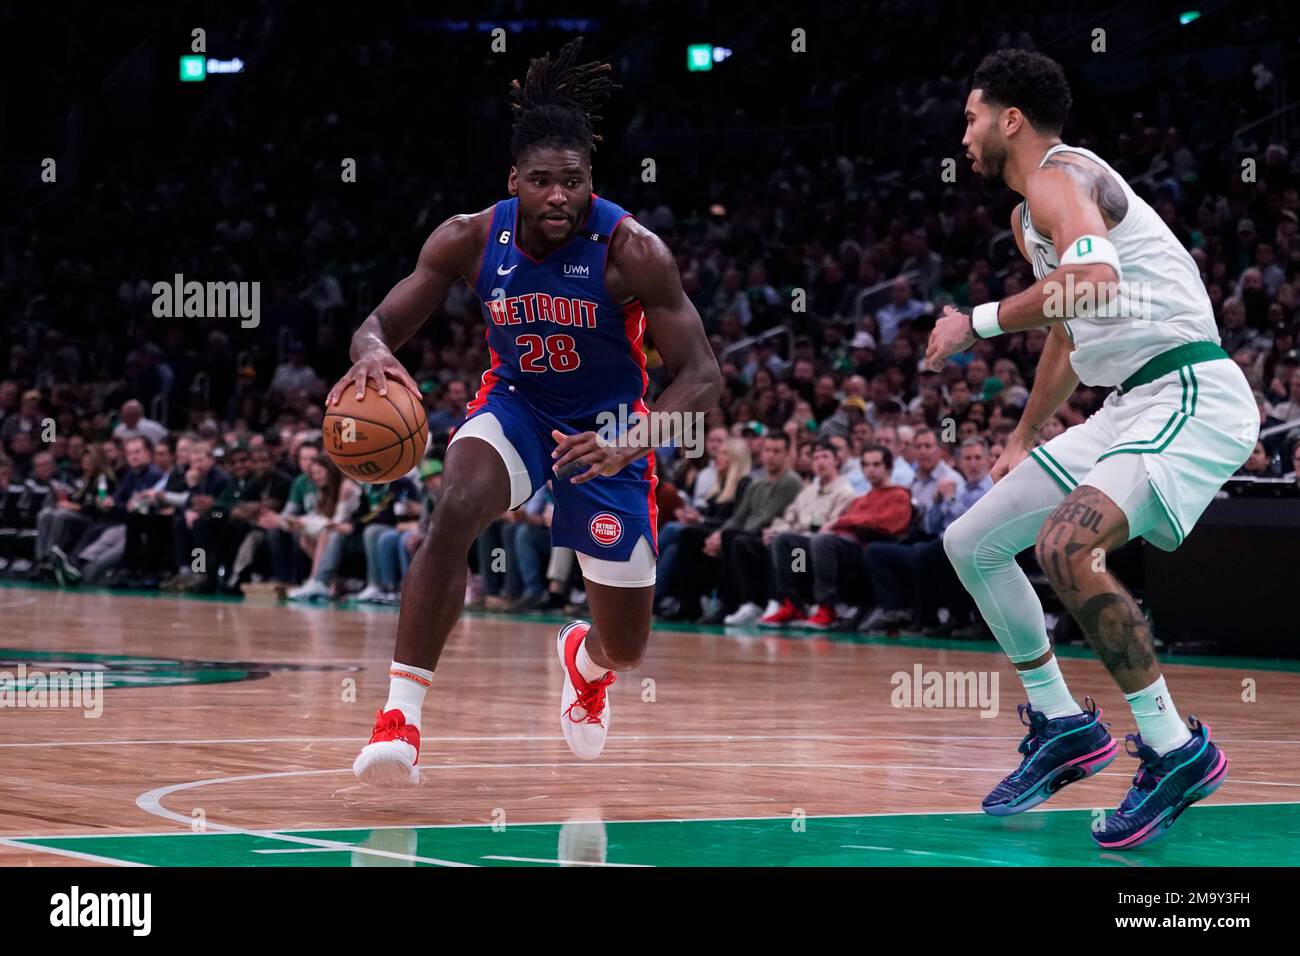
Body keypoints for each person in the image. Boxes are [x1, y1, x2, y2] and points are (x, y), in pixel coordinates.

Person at [329, 38, 721, 783]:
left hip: (609, 429)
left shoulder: (633, 250)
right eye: (541, 181)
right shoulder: (469, 237)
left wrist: (632, 440)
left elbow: (702, 377)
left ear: (589, 181)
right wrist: (372, 352)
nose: (557, 197)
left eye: (571, 182)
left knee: (627, 646)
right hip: (517, 407)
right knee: (456, 506)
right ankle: (400, 718)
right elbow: (374, 325)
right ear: (515, 181)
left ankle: (584, 660)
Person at [927, 49, 1255, 848]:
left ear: (1010, 119)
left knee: (1067, 547)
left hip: (1188, 391)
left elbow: (1095, 283)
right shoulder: (1026, 216)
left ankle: (1177, 750)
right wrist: (1024, 434)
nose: (962, 135)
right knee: (972, 541)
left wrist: (977, 321)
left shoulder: (1058, 177)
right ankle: (1063, 724)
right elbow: (1072, 330)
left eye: (970, 117)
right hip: (1125, 405)